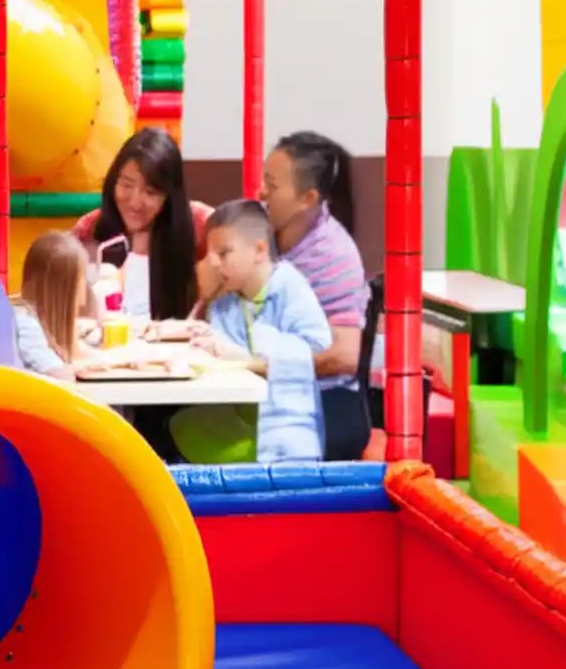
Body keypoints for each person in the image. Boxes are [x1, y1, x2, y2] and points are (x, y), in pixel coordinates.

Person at [171, 200, 332, 463]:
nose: (214, 264)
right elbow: (221, 360)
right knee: (178, 424)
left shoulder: (289, 287)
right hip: (239, 415)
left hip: (285, 426)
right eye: (210, 256)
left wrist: (246, 362)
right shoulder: (224, 304)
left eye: (223, 253)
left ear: (259, 250)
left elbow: (317, 352)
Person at [260, 131, 372, 461]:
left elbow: (346, 355)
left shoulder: (332, 254)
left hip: (325, 397)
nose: (261, 192)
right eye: (264, 179)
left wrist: (270, 367)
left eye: (273, 185)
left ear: (308, 199)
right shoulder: (262, 232)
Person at [71, 127, 217, 320]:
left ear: (170, 196)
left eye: (150, 192)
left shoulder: (202, 226)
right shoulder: (89, 230)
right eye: (126, 185)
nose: (135, 202)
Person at [12, 231, 92, 381]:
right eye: (81, 280)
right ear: (65, 289)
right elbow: (59, 376)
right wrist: (77, 368)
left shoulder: (38, 319)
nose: (85, 288)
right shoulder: (26, 322)